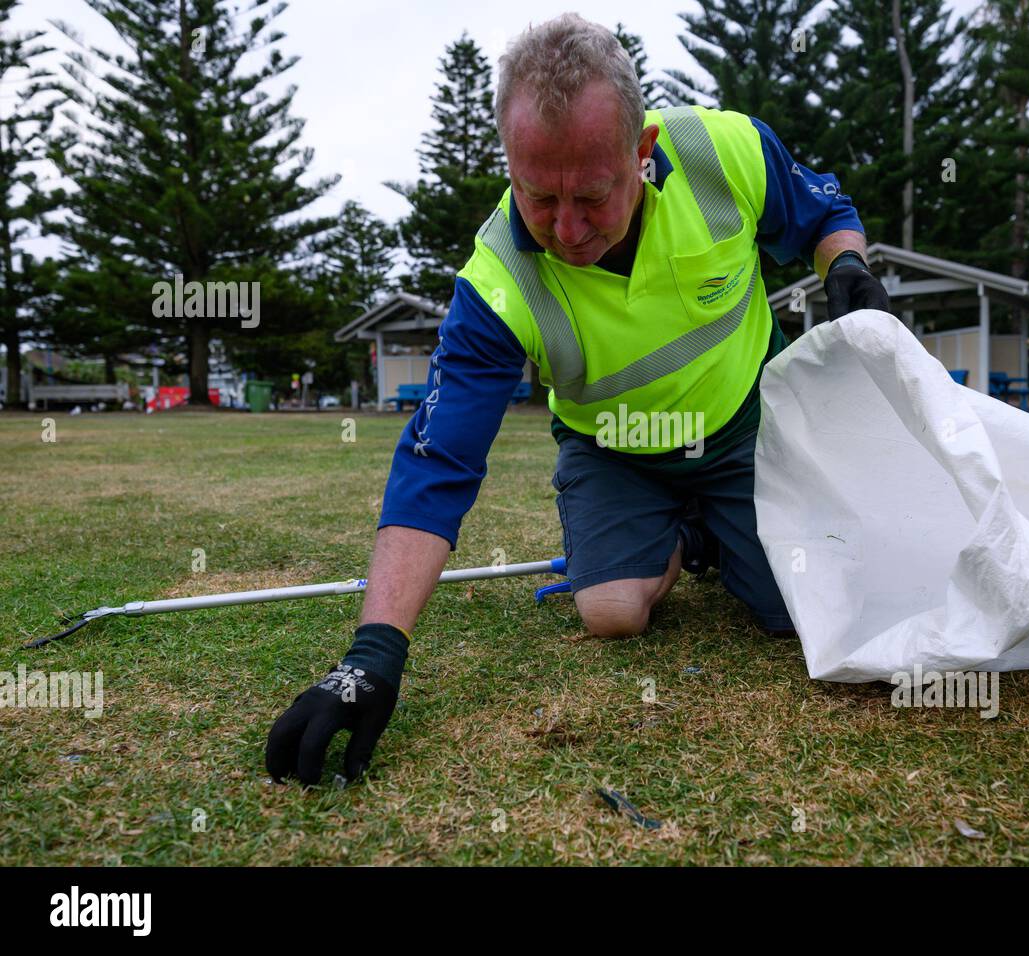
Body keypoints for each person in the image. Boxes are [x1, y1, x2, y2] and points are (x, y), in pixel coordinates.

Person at [266, 13, 890, 785]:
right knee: (611, 613)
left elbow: (825, 213)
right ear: (509, 161)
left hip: (741, 427)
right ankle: (688, 541)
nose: (566, 229)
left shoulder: (721, 152)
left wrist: (846, 270)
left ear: (642, 152)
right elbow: (437, 465)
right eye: (537, 196)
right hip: (613, 452)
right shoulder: (495, 286)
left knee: (795, 610)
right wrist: (371, 659)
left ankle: (714, 534)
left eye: (592, 196)